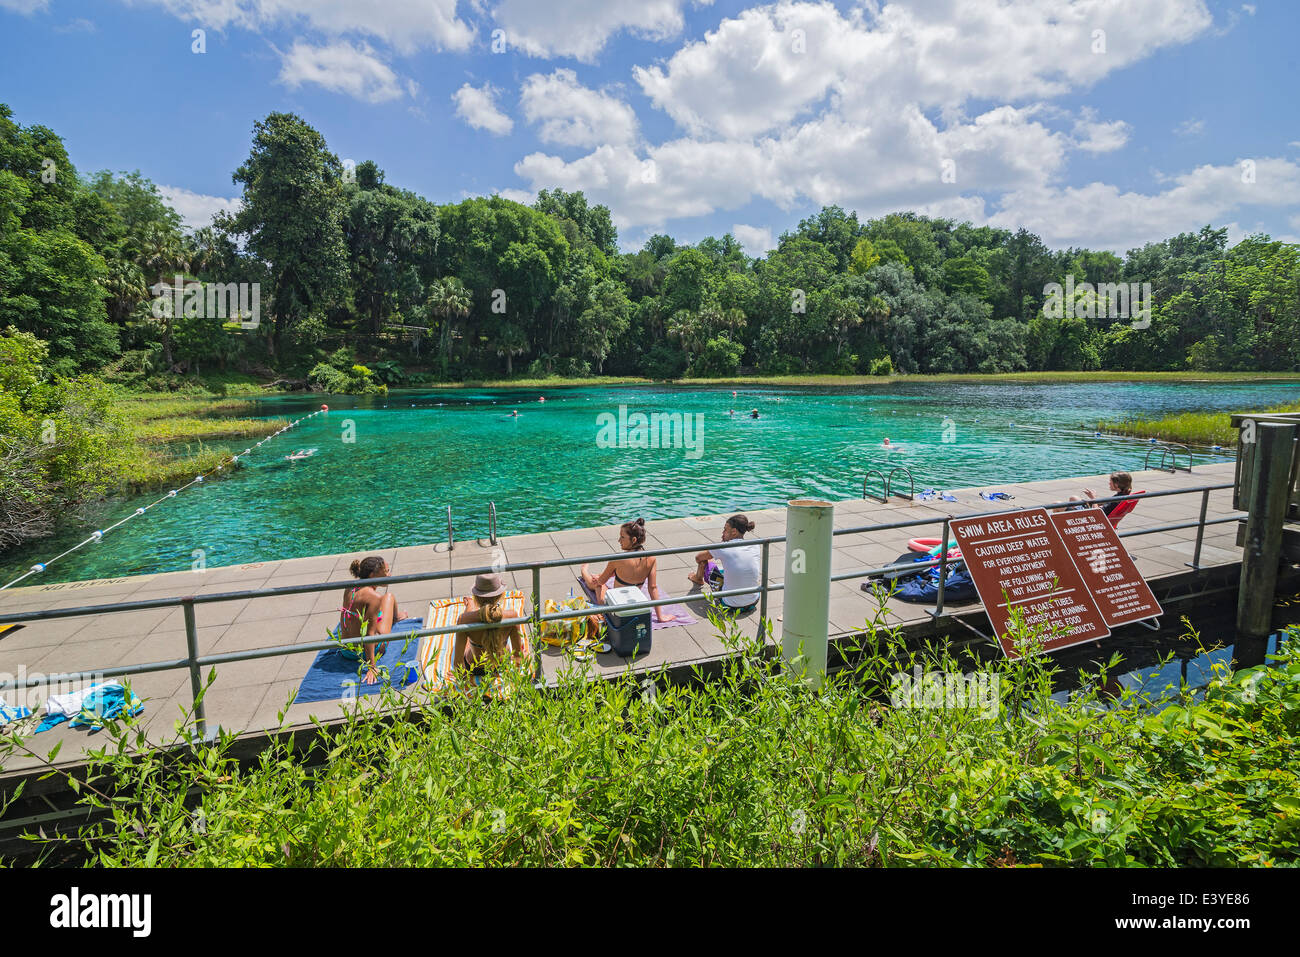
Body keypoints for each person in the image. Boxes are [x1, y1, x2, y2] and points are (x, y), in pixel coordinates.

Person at [579, 518, 673, 622]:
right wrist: (660, 617)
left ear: (633, 540)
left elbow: (600, 582)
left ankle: (584, 571)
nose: (619, 540)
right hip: (635, 603)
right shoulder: (651, 559)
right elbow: (653, 587)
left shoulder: (617, 559)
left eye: (622, 537)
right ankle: (590, 573)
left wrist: (598, 578)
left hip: (616, 605)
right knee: (611, 575)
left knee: (597, 584)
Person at [339, 555, 413, 685]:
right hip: (361, 654)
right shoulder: (373, 597)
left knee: (385, 598)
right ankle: (395, 617)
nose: (389, 575)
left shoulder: (350, 587)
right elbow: (369, 635)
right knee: (389, 597)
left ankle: (395, 616)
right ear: (372, 575)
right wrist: (371, 667)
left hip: (346, 650)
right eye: (386, 572)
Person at [453, 573, 526, 676]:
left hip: (476, 668)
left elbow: (458, 663)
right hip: (502, 664)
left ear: (475, 597)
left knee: (466, 640)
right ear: (501, 595)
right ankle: (471, 605)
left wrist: (464, 681)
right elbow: (518, 656)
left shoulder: (463, 619)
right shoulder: (512, 616)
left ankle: (470, 604)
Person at [688, 514, 760, 614]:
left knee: (706, 562)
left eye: (725, 530)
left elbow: (698, 558)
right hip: (753, 602)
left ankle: (698, 578)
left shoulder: (724, 547)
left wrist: (715, 548)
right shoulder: (755, 545)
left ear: (734, 532)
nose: (722, 533)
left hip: (730, 605)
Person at [1068, 471, 1133, 516]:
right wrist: (1092, 501)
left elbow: (1097, 514)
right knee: (1074, 498)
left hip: (1092, 518)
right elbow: (1106, 505)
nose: (1109, 483)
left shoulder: (1116, 500)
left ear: (1116, 484)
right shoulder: (1123, 495)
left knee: (1058, 504)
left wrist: (1093, 498)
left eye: (1111, 482)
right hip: (1099, 514)